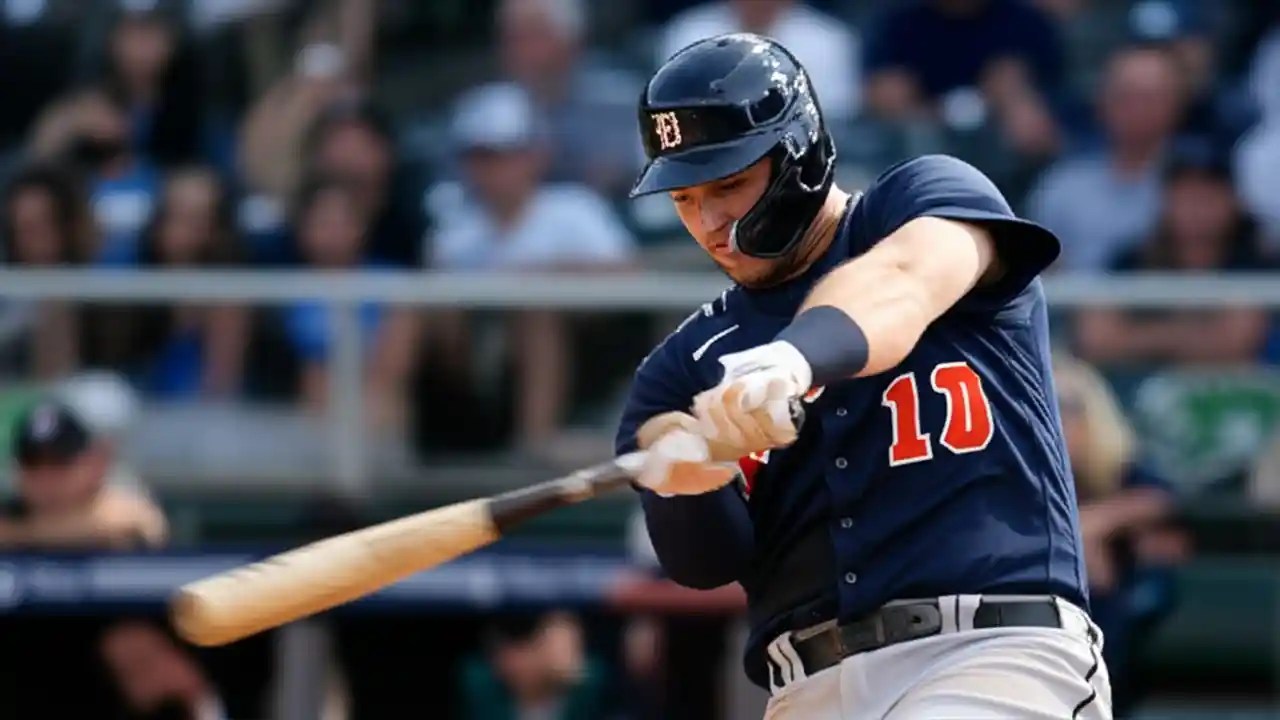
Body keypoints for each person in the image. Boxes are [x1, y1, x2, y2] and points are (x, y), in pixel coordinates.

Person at [615, 34, 1109, 718]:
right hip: (805, 689)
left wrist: (791, 359)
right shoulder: (680, 368)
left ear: (800, 151)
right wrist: (691, 479)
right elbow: (703, 564)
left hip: (989, 658)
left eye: (729, 184)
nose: (710, 221)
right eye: (685, 199)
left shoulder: (924, 199)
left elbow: (902, 283)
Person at [1052, 353, 1186, 716]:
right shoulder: (1017, 479)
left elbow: (1164, 502)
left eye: (1067, 404)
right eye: (1044, 399)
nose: (1056, 416)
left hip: (1127, 620)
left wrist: (1097, 521)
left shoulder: (1119, 470)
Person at [1074, 141, 1274, 365]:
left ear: (1234, 201)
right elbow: (1097, 339)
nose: (1196, 211)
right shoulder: (1132, 260)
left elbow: (1234, 342)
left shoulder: (1255, 263)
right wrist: (1190, 335)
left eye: (1207, 197)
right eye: (1185, 196)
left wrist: (1135, 336)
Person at [1026, 44, 1186, 271]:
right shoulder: (1061, 186)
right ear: (1102, 101)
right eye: (1126, 96)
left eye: (1149, 97)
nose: (1137, 109)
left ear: (1178, 103)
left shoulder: (1198, 187)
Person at [0, 399, 167, 550]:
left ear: (94, 464)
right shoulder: (11, 511)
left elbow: (140, 525)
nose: (46, 477)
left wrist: (19, 533)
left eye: (59, 463)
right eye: (33, 464)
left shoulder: (119, 506)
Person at [458, 611, 608, 720]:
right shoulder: (482, 688)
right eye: (555, 648)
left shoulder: (589, 689)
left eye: (574, 648)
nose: (568, 658)